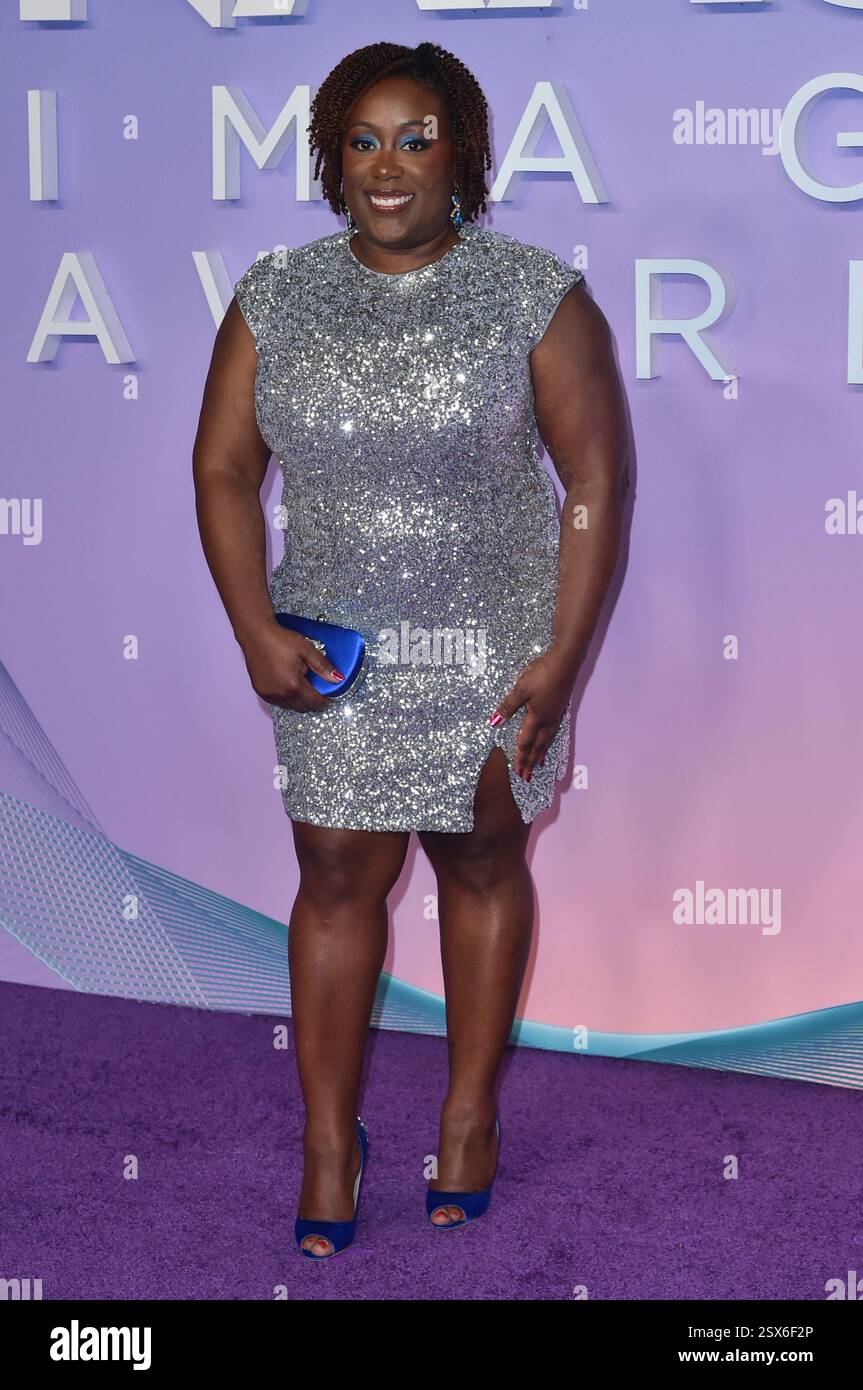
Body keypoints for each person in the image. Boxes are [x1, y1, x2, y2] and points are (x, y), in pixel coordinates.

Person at [192, 39, 628, 1258]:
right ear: (336, 154)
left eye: (418, 138)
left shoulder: (533, 294)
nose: (390, 165)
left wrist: (562, 652)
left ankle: (468, 1117)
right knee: (335, 875)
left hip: (491, 642)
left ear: (462, 154)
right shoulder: (273, 294)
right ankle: (329, 1142)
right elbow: (223, 468)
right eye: (365, 140)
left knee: (481, 864)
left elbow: (594, 479)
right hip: (331, 646)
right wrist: (251, 625)